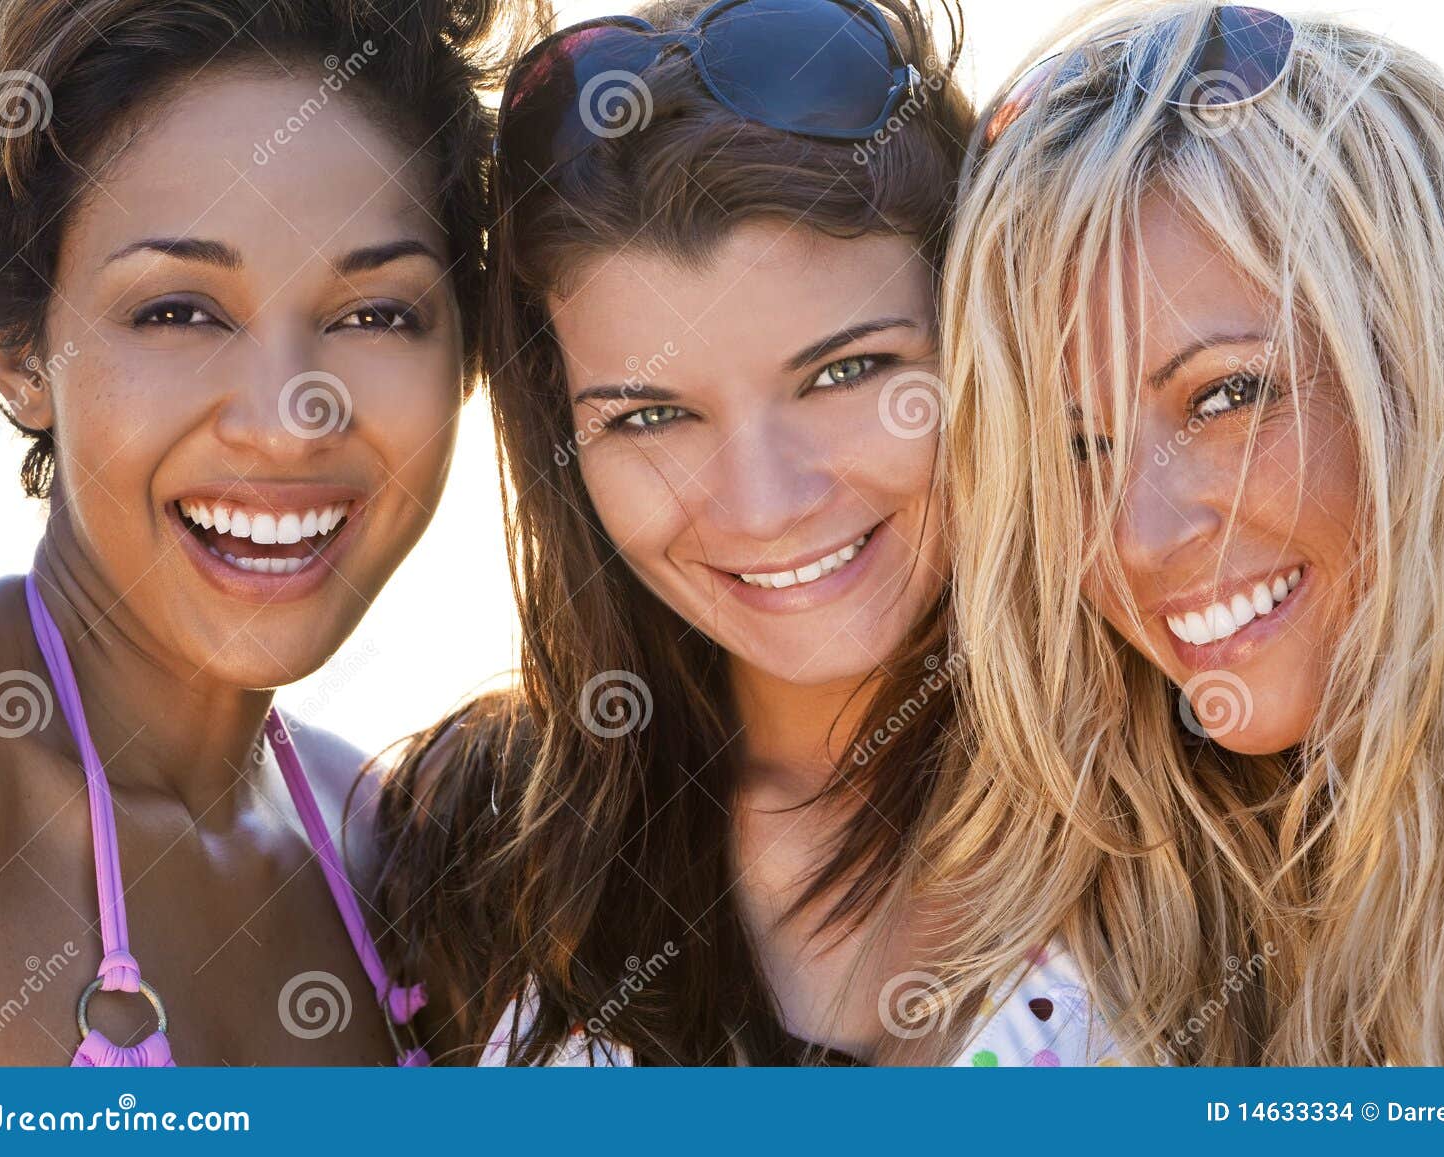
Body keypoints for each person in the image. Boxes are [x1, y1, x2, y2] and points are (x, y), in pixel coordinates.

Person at [376, 0, 1121, 1066]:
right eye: (650, 416)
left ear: (982, 337)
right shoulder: (475, 840)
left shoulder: (1215, 792)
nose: (765, 503)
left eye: (845, 372)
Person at [933, 0, 1444, 1063]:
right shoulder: (1217, 832)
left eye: (1224, 396)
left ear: (1431, 355)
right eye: (1074, 448)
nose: (1133, 537)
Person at [0, 0, 539, 1065]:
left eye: (375, 314)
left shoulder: (395, 851)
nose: (288, 420)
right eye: (178, 310)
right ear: (20, 351)